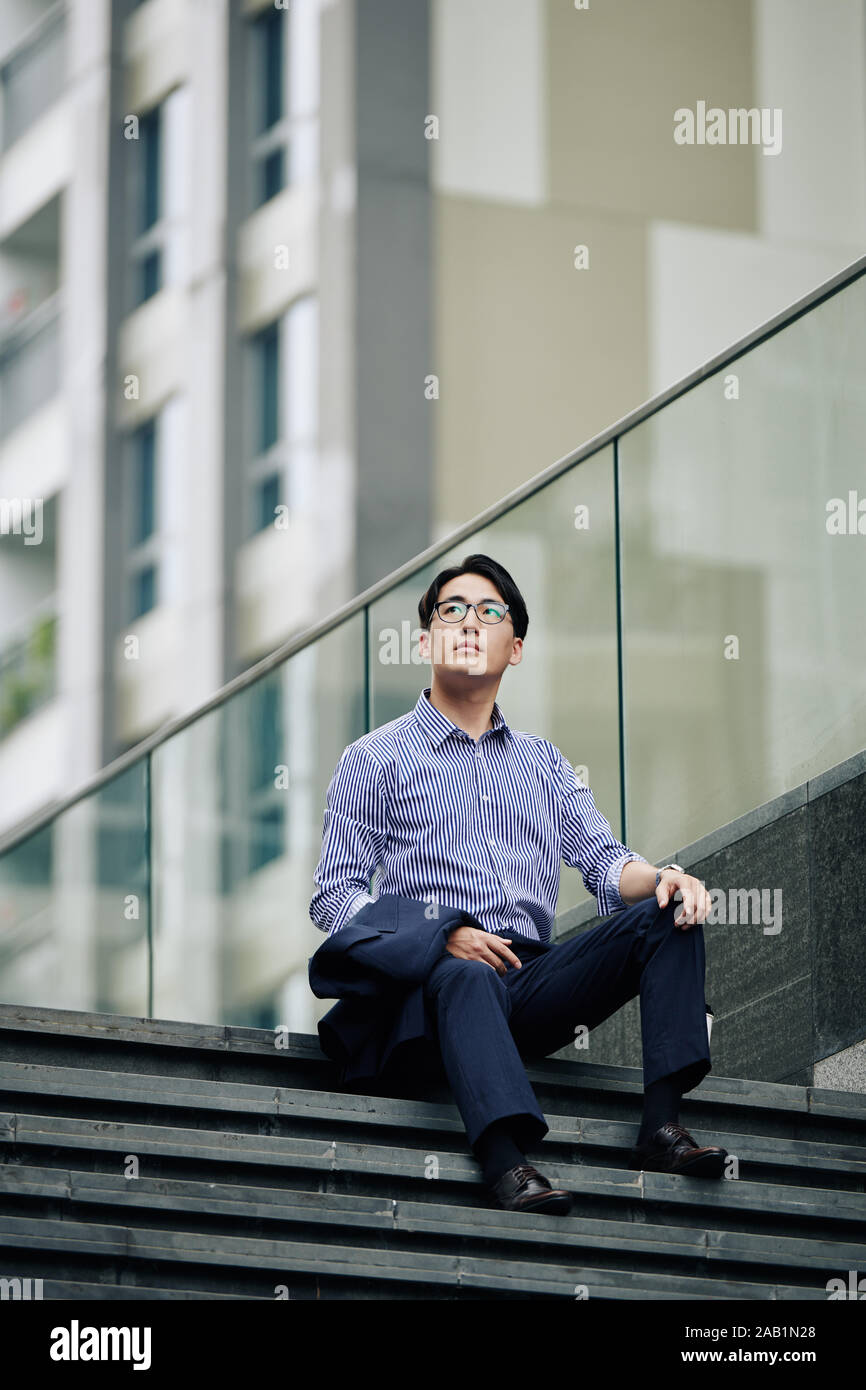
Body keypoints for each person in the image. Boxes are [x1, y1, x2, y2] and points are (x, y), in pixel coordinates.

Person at [309, 553, 726, 1214]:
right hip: (430, 992)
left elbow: (605, 862)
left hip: (530, 985)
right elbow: (336, 897)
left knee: (666, 913)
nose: (469, 624)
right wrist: (440, 936)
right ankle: (505, 1161)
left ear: (517, 647)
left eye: (489, 612)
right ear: (425, 641)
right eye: (451, 611)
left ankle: (661, 1127)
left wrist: (666, 878)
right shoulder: (375, 758)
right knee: (467, 973)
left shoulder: (543, 764)